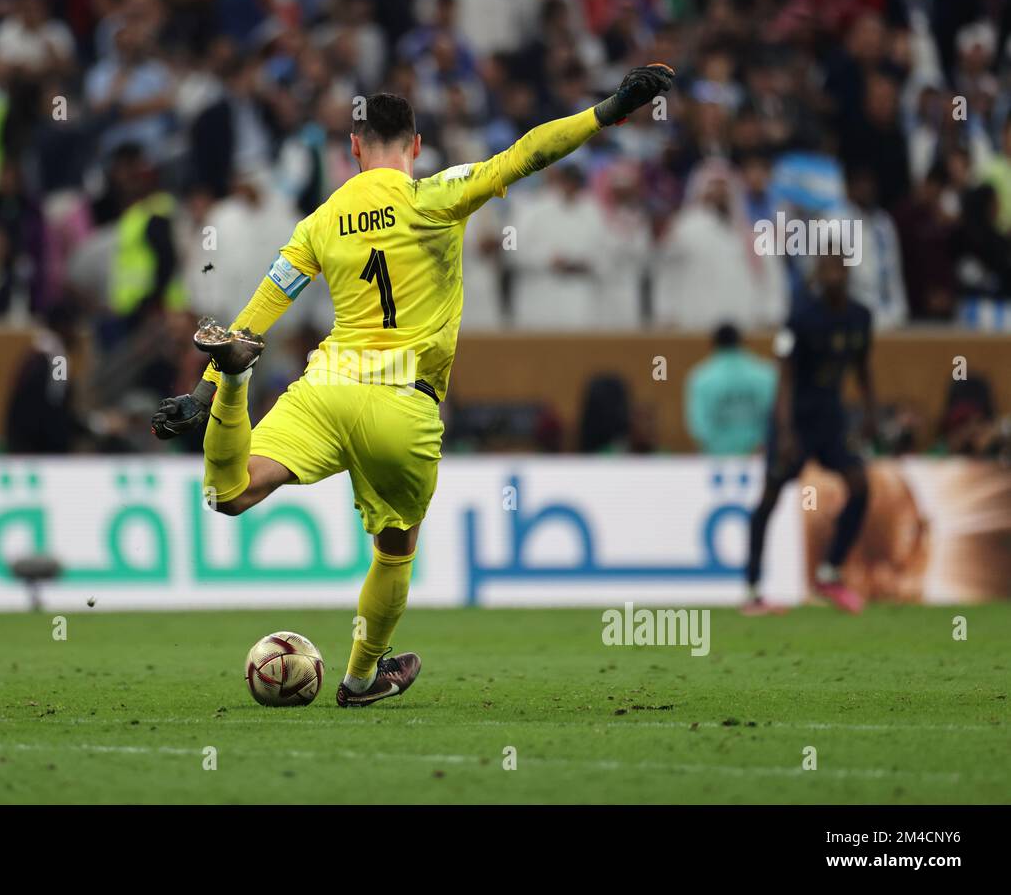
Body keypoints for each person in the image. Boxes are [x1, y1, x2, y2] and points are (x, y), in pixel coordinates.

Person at [152, 65, 675, 705]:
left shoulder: (318, 220)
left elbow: (265, 306)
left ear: (352, 147)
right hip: (402, 402)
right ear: (416, 145)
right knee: (395, 551)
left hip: (327, 385)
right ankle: (360, 678)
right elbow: (529, 152)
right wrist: (610, 109)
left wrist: (205, 390)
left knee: (230, 493)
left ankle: (237, 385)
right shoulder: (436, 195)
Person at [745, 258, 876, 615]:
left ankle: (830, 572)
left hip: (831, 418)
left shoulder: (860, 316)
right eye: (828, 268)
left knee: (860, 485)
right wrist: (785, 431)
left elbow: (862, 367)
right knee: (770, 497)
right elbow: (784, 374)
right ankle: (753, 587)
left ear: (848, 272)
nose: (835, 275)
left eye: (840, 267)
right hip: (795, 421)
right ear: (818, 275)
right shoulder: (801, 317)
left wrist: (870, 411)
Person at [685, 324, 777, 456]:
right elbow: (775, 416)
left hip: (718, 456)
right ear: (742, 342)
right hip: (758, 454)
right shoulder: (766, 373)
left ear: (713, 344)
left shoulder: (701, 378)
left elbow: (699, 425)